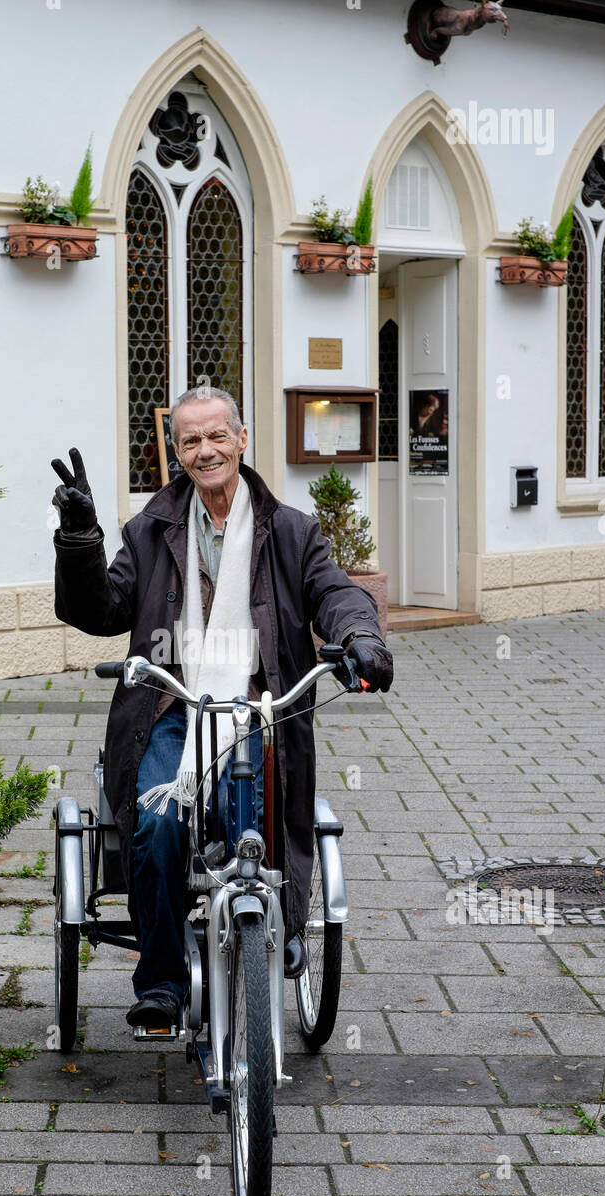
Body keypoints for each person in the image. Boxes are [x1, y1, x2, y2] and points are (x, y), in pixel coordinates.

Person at [51, 387, 393, 1029]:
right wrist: (79, 538)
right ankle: (161, 983)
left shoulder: (292, 532)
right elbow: (99, 611)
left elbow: (335, 593)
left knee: (256, 826)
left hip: (260, 709)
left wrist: (362, 639)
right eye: (189, 441)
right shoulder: (150, 532)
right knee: (155, 824)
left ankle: (274, 922)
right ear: (175, 453)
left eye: (216, 437)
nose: (204, 451)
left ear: (241, 439)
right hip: (170, 707)